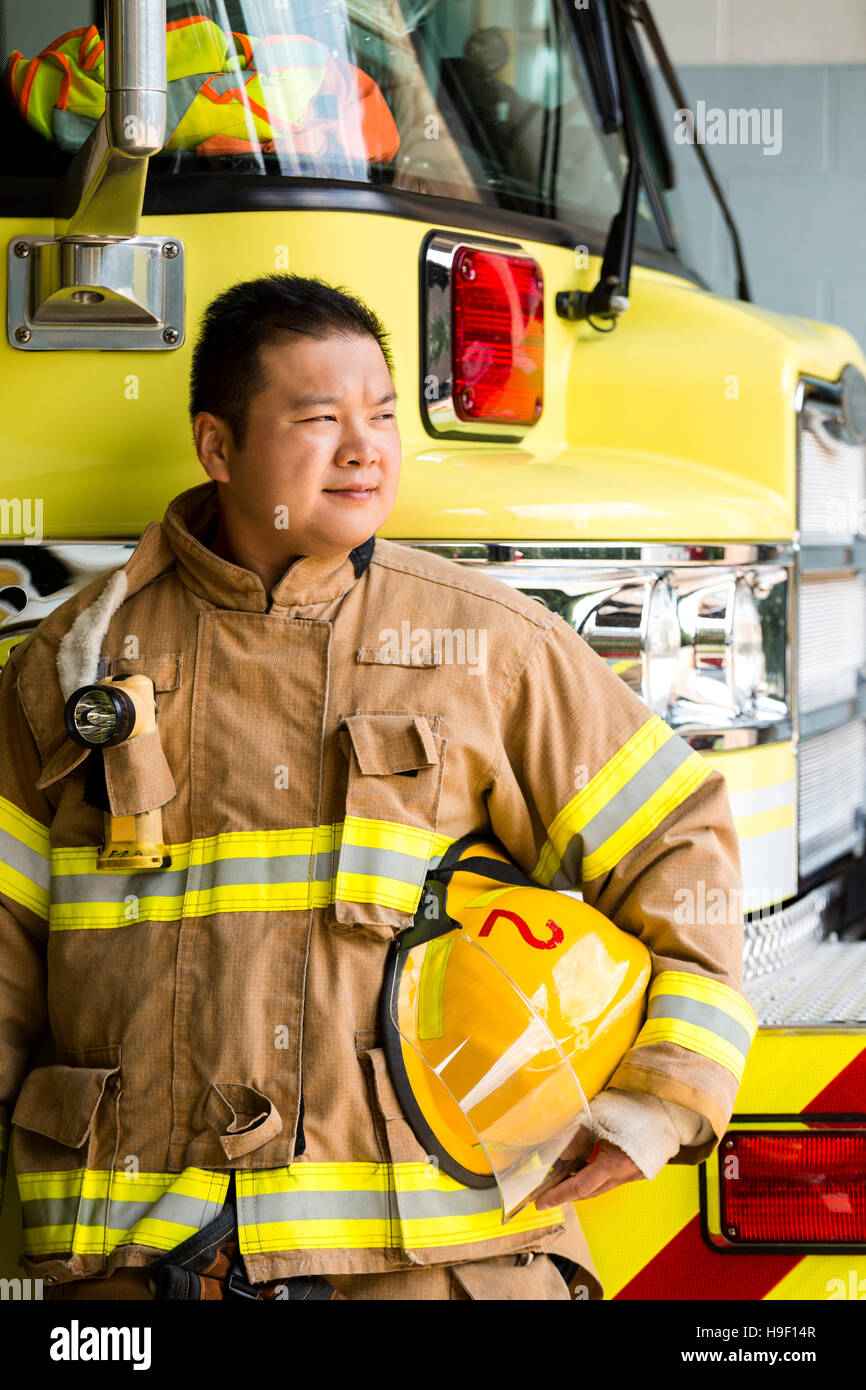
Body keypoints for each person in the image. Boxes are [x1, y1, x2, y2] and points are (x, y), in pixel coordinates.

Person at [0, 274, 754, 1301]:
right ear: (217, 447)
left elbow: (680, 841)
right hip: (138, 1269)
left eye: (382, 417)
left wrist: (662, 1097)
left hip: (438, 1265)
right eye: (319, 420)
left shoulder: (486, 643)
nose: (364, 450)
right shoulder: (73, 660)